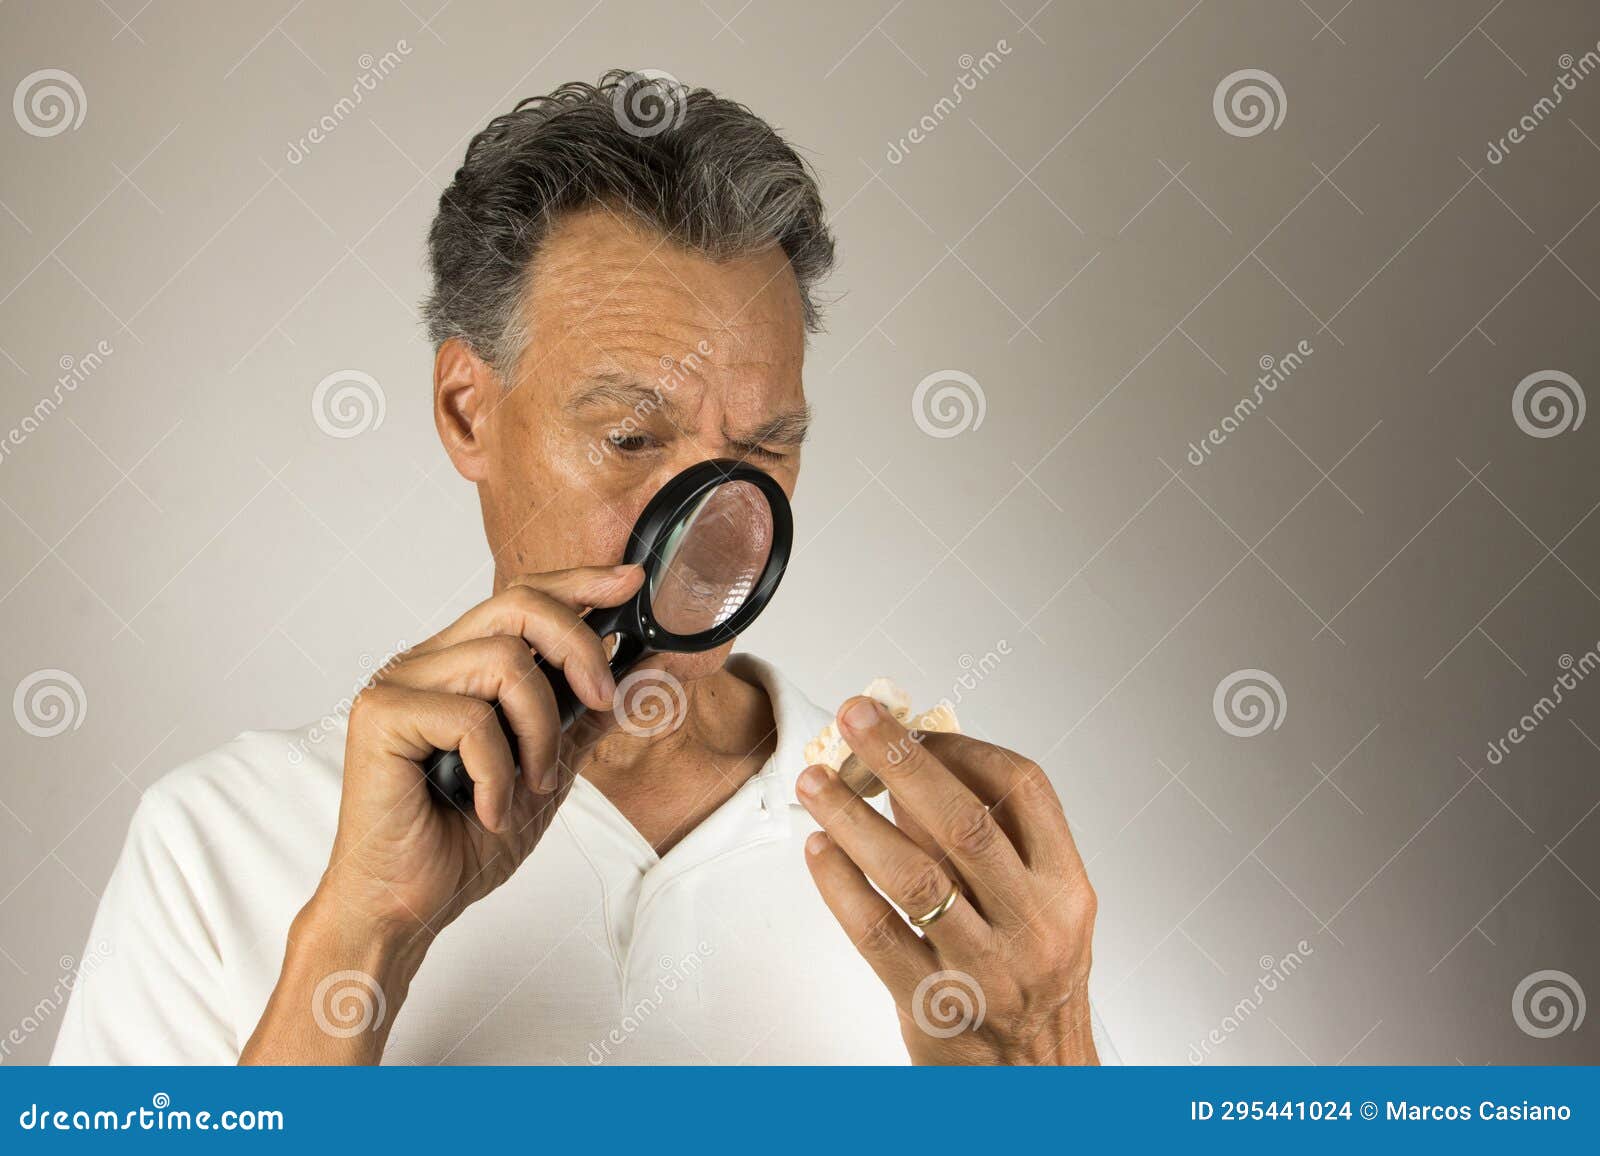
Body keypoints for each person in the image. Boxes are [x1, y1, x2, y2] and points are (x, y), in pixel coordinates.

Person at [53, 71, 1112, 1066]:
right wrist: (362, 934)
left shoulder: (940, 882)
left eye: (759, 453)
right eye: (630, 440)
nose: (712, 530)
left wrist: (1041, 1070)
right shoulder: (218, 838)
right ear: (468, 410)